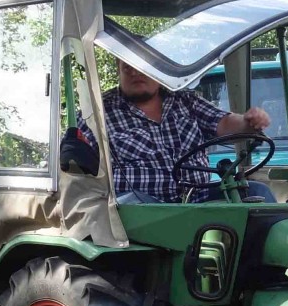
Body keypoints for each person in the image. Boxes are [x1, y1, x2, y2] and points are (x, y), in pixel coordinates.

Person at [62, 60, 271, 203]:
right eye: (128, 67)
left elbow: (224, 123)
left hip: (196, 198)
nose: (136, 73)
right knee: (127, 203)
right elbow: (79, 170)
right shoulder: (97, 113)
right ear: (118, 67)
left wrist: (247, 121)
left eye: (143, 67)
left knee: (256, 192)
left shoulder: (185, 101)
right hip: (141, 207)